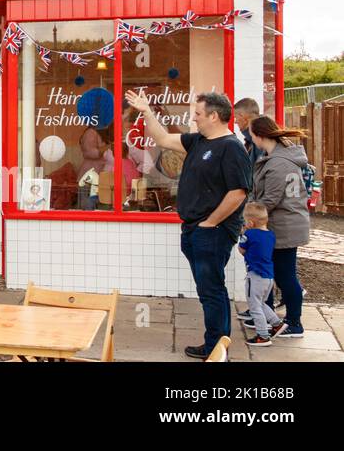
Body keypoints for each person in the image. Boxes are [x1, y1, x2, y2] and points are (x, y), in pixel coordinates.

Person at [126, 89, 249, 360]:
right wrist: (147, 111)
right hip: (195, 228)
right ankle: (216, 343)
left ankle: (216, 348)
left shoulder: (231, 148)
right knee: (208, 288)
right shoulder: (198, 141)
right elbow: (162, 138)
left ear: (214, 116)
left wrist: (210, 223)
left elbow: (238, 192)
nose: (194, 119)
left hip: (212, 231)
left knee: (211, 289)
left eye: (198, 114)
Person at [245, 115, 310, 339]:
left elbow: (269, 200)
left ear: (260, 136)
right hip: (280, 225)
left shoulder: (278, 162)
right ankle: (265, 316)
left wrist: (248, 218)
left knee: (285, 276)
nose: (250, 139)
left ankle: (294, 323)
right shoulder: (276, 156)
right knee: (271, 273)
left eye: (251, 134)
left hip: (285, 227)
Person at [237, 201, 284, 346]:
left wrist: (242, 234)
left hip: (255, 276)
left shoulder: (250, 234)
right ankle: (276, 324)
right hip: (268, 277)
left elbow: (242, 250)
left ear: (250, 222)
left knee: (254, 306)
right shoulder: (270, 235)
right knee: (261, 303)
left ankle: (262, 336)